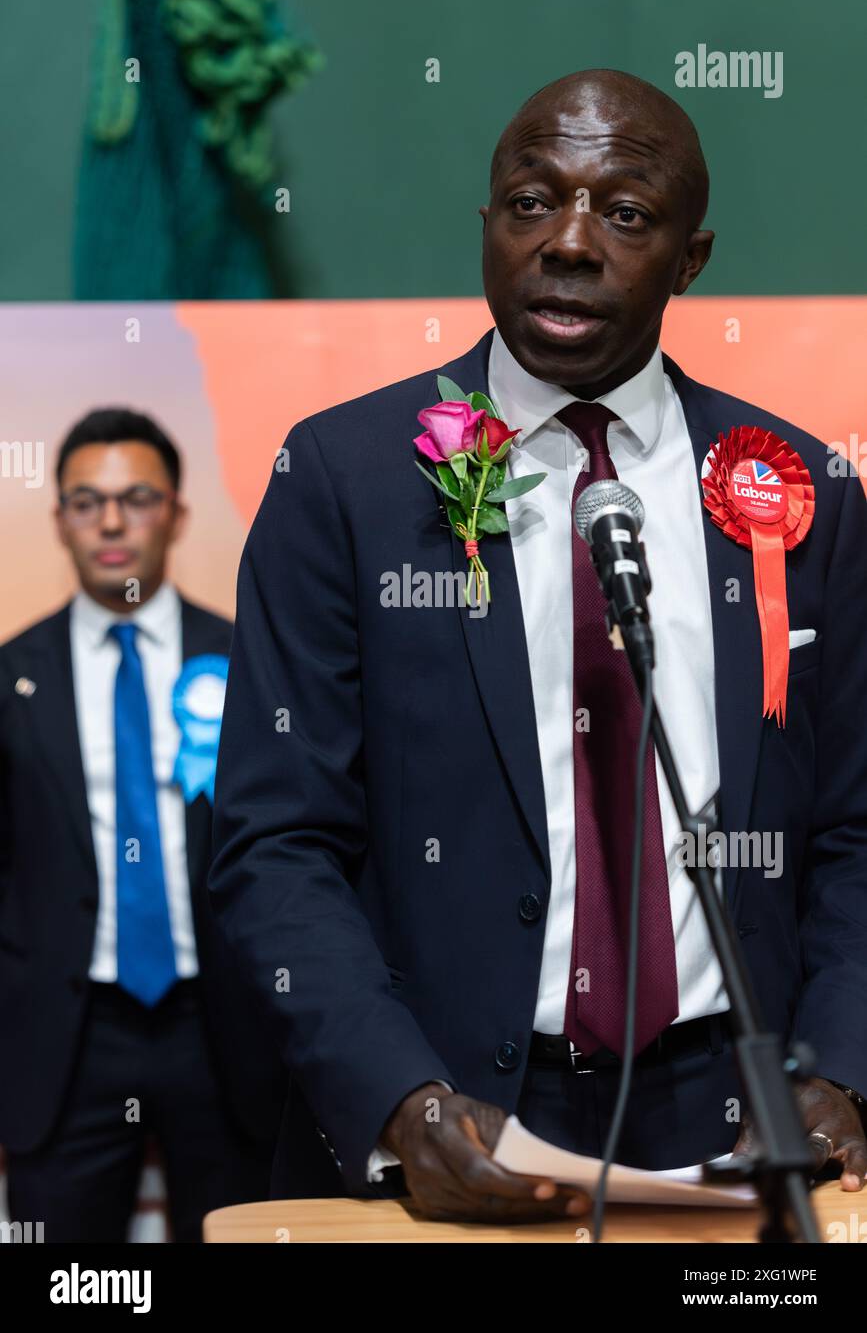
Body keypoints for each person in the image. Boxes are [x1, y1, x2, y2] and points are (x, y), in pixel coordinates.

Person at [210, 70, 867, 1224]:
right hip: (451, 1125)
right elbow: (276, 841)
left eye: (624, 213)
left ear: (692, 258)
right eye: (531, 200)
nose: (568, 242)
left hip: (735, 1133)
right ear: (488, 225)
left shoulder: (799, 490)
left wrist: (836, 1068)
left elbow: (857, 830)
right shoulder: (343, 480)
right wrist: (398, 1099)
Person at [0, 409, 285, 1241]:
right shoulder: (12, 676)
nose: (113, 522)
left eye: (137, 498)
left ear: (177, 512)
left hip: (224, 1032)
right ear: (58, 520)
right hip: (66, 1039)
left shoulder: (247, 662)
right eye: (87, 502)